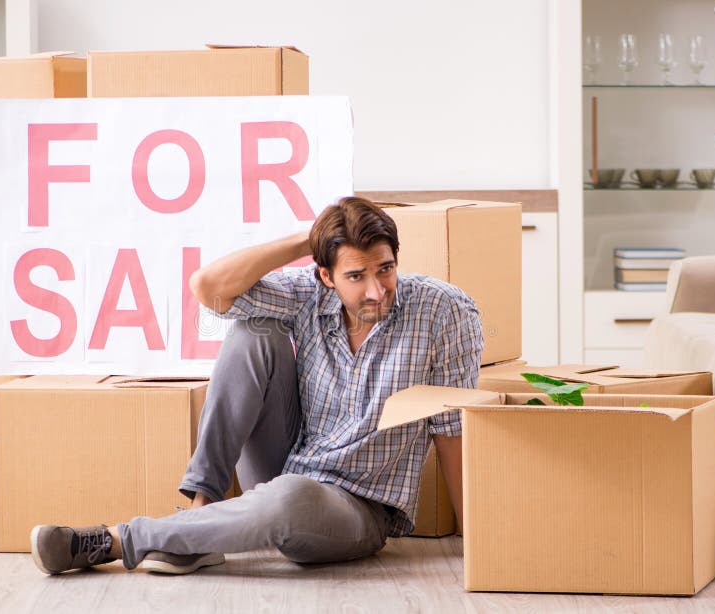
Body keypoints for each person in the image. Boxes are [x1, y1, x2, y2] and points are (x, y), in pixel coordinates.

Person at [30, 197, 483, 575]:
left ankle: (115, 540)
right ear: (326, 276)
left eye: (385, 269)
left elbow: (451, 433)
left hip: (357, 509)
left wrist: (478, 544)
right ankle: (201, 510)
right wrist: (309, 239)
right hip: (289, 463)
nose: (376, 291)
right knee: (254, 333)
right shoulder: (309, 294)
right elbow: (210, 288)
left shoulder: (443, 311)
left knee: (290, 496)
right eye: (355, 276)